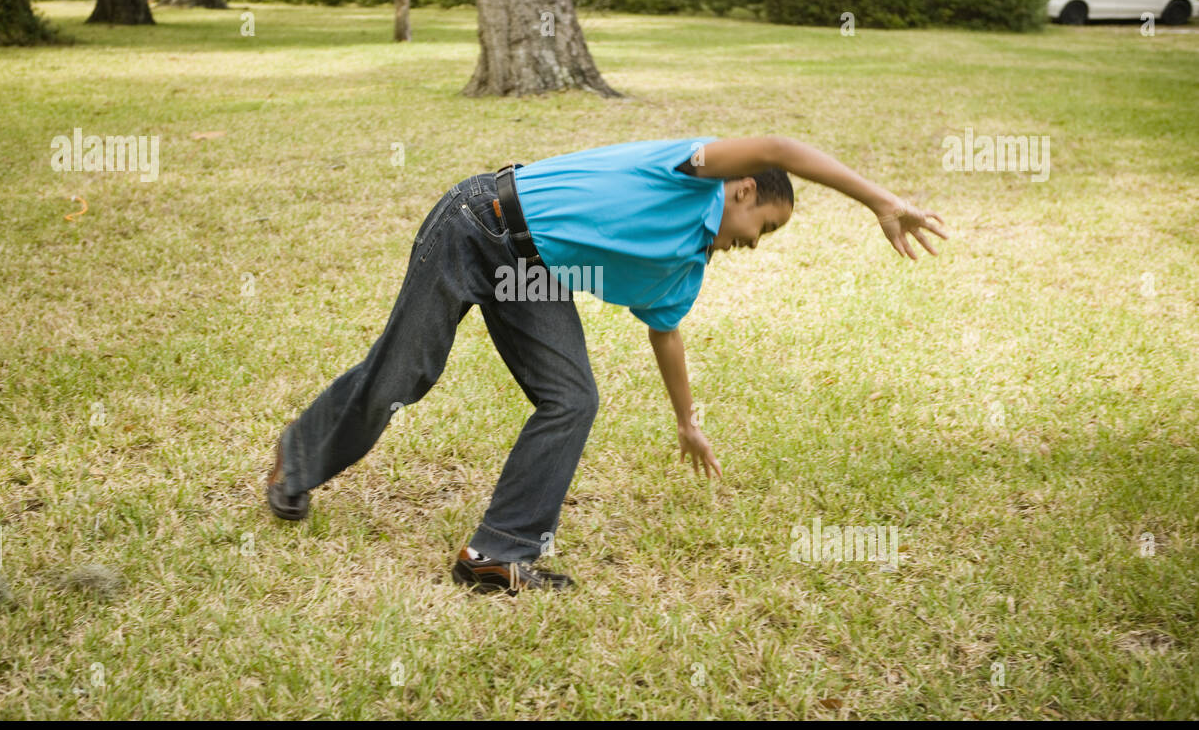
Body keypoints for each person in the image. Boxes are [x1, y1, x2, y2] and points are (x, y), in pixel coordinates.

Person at [264, 135, 948, 595]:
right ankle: (298, 456)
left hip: (533, 272)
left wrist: (687, 422)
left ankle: (497, 554)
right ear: (742, 192)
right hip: (479, 221)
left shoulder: (684, 267)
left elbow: (666, 336)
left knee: (573, 397)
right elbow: (782, 147)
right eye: (764, 226)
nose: (757, 244)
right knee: (405, 371)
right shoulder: (695, 173)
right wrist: (881, 200)